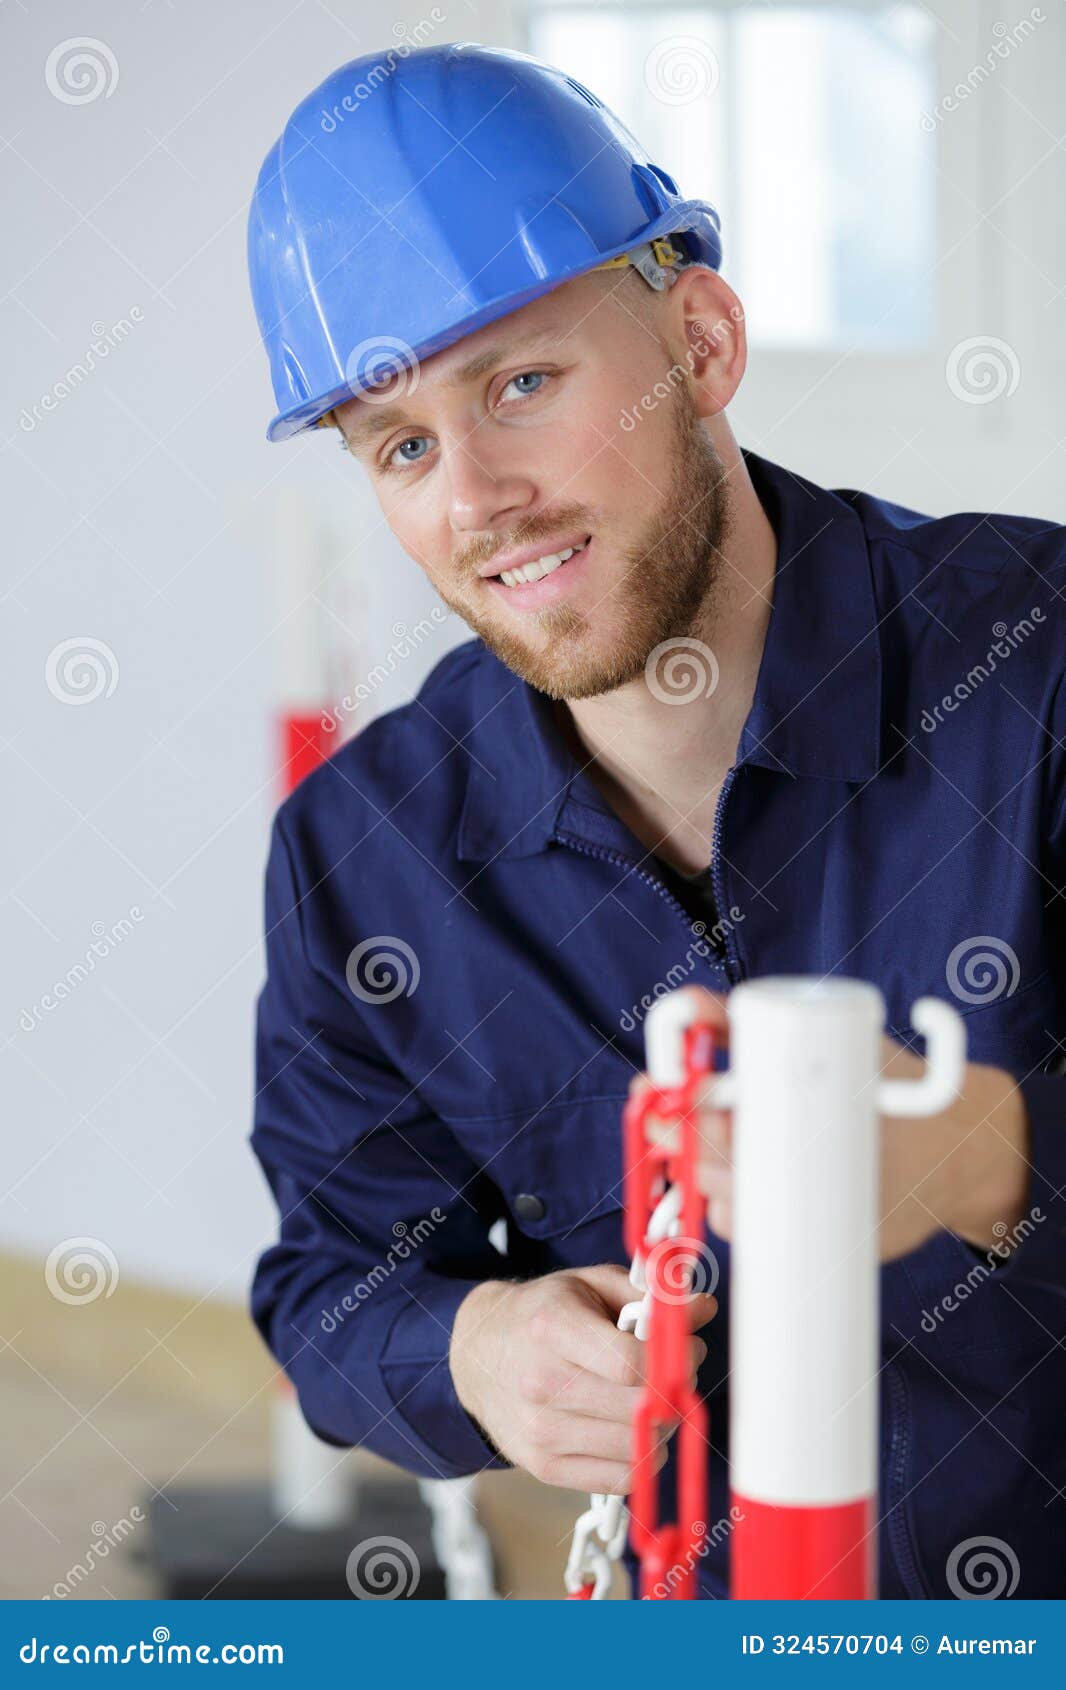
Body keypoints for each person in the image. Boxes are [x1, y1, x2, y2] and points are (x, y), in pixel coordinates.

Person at [246, 43, 1066, 1598]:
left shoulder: (1037, 665)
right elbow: (326, 1280)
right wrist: (469, 1346)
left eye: (523, 384)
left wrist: (994, 1159)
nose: (476, 493)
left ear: (698, 341)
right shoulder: (364, 854)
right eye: (402, 445)